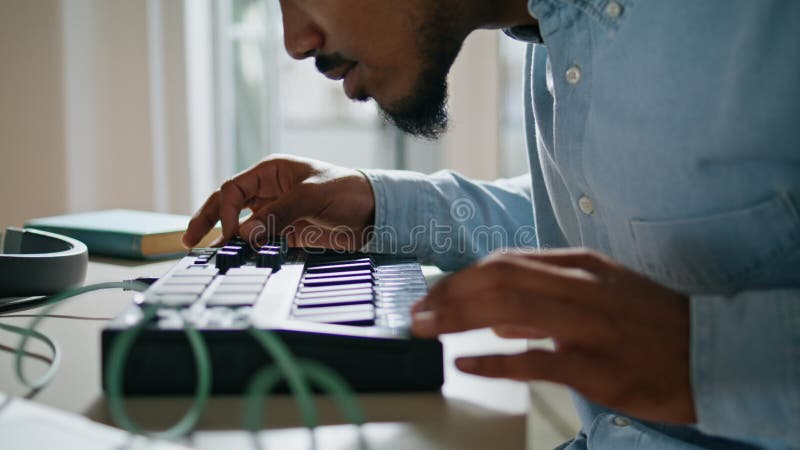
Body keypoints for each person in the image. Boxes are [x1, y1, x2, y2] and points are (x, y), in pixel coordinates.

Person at [182, 1, 800, 448]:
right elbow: (613, 228)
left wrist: (708, 355)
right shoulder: (551, 45)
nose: (293, 40)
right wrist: (379, 206)